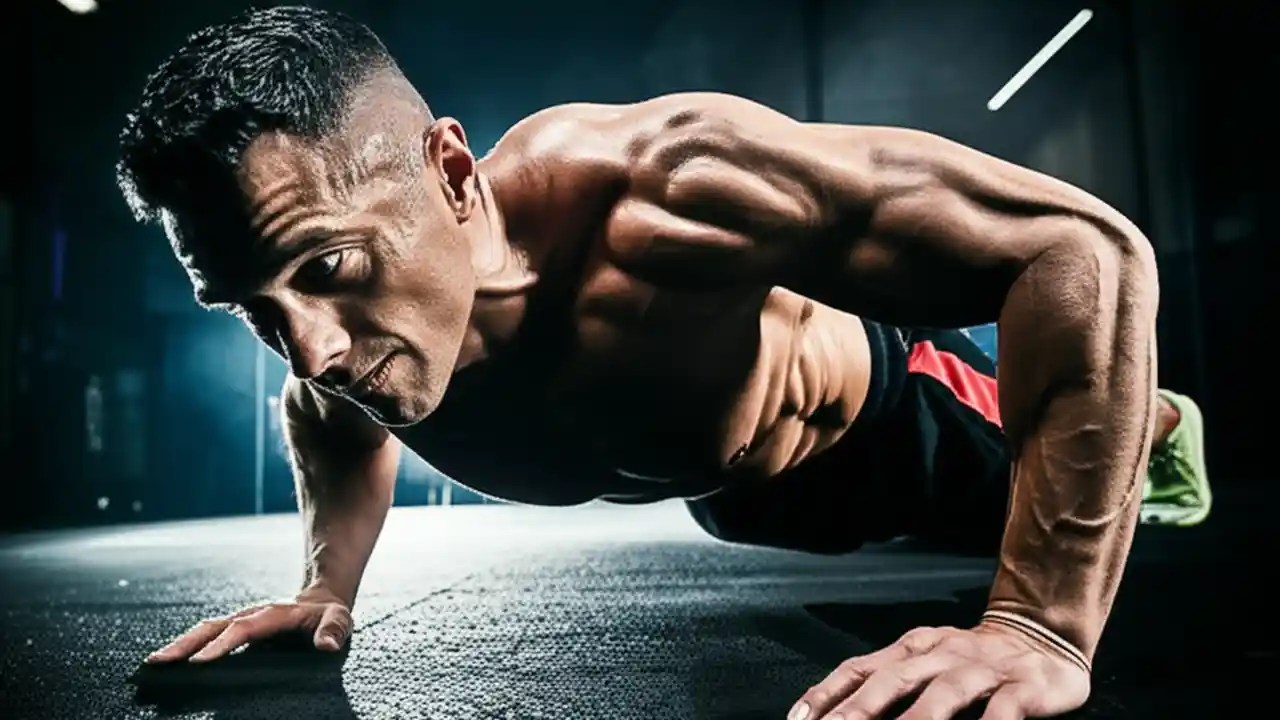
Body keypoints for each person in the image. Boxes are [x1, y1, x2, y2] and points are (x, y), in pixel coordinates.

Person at [116, 7, 1210, 720]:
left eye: (330, 264)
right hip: (737, 497)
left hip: (892, 424)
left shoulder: (663, 189)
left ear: (451, 171)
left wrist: (1036, 626)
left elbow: (1077, 246)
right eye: (249, 305)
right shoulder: (338, 336)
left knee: (1059, 484)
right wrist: (324, 588)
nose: (310, 346)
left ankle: (1156, 425)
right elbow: (333, 429)